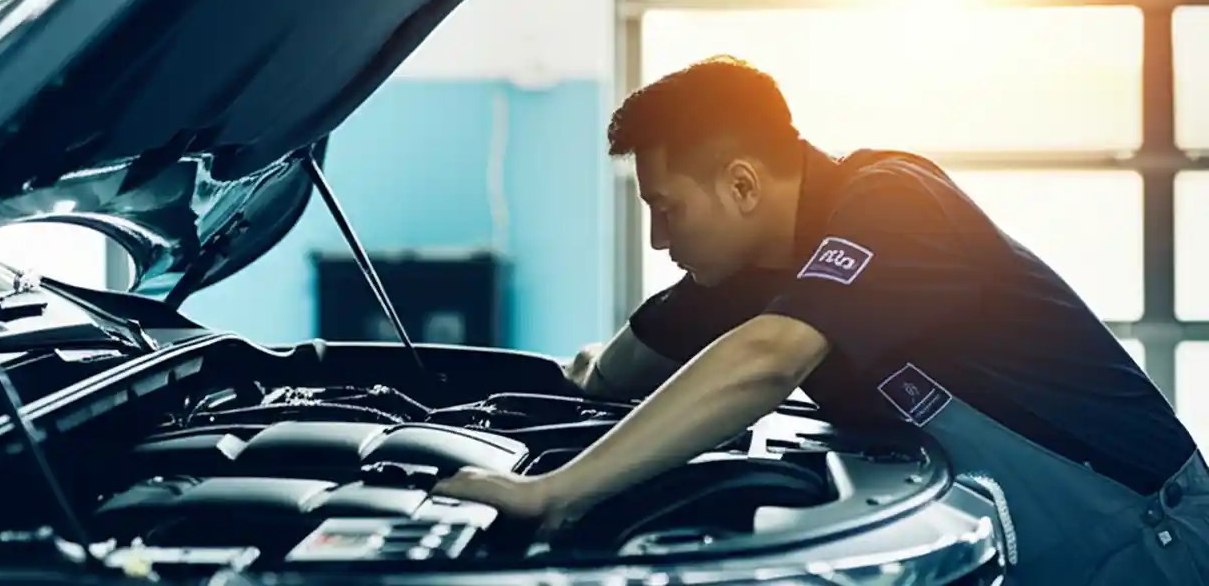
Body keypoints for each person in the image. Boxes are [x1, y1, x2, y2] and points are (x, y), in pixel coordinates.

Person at [432, 55, 1209, 583]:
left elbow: (771, 358)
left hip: (1147, 537)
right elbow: (619, 370)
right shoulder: (746, 274)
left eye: (666, 209)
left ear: (741, 185)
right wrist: (585, 378)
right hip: (1031, 545)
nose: (660, 240)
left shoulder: (895, 203)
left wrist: (557, 493)